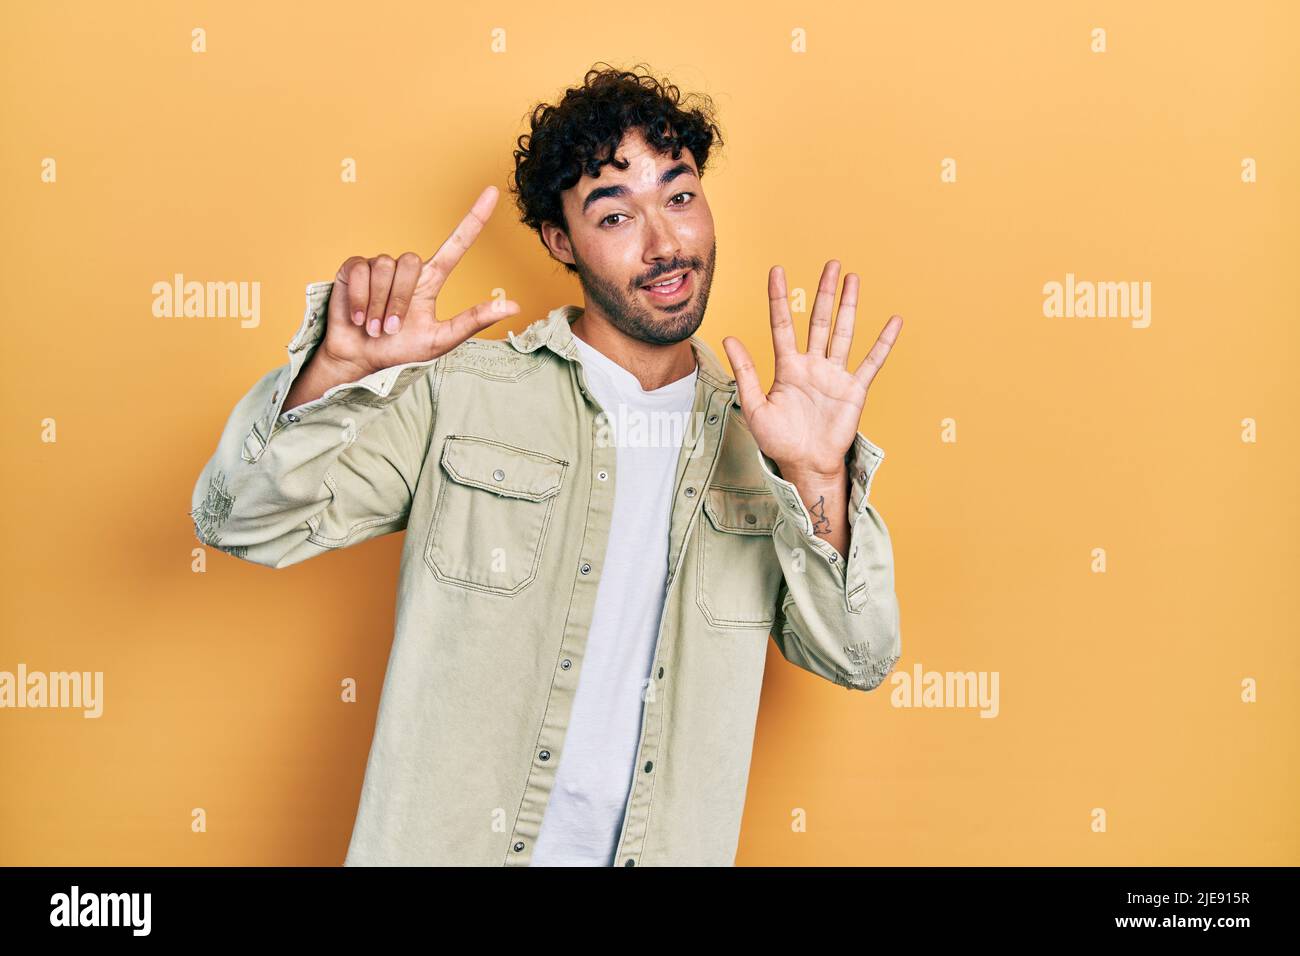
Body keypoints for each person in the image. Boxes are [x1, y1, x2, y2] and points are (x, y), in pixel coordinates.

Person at [189, 62, 904, 867]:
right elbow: (237, 521)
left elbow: (859, 656)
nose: (666, 244)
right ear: (560, 241)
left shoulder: (767, 444)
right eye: (615, 215)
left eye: (679, 196)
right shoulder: (460, 394)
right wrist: (335, 375)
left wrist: (816, 477)